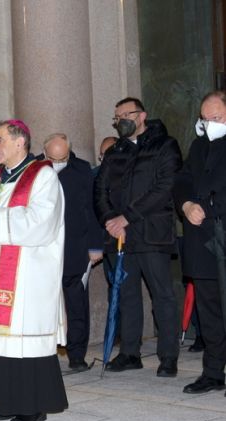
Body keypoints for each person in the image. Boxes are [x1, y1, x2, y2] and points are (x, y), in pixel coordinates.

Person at [0, 120, 67, 421]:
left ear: (19, 142)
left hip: (28, 273)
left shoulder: (43, 175)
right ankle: (7, 400)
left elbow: (42, 220)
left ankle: (32, 405)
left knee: (25, 339)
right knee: (2, 340)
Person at [94, 97, 181, 377]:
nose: (120, 121)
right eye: (116, 117)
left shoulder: (164, 145)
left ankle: (168, 357)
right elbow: (100, 190)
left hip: (151, 234)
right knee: (126, 296)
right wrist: (110, 220)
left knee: (163, 296)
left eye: (125, 115)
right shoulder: (114, 151)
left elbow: (165, 187)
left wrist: (127, 216)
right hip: (119, 237)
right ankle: (130, 353)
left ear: (142, 115)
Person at [175, 91, 226, 394]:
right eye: (204, 119)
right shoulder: (197, 146)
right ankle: (212, 371)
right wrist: (185, 205)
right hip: (203, 244)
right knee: (209, 312)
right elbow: (182, 180)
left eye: (216, 118)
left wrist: (207, 208)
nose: (209, 125)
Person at [42, 134, 103, 372]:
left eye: (63, 158)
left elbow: (92, 207)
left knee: (77, 304)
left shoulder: (82, 170)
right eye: (53, 158)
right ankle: (43, 353)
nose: (58, 162)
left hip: (75, 248)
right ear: (44, 152)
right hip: (43, 250)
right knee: (43, 304)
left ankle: (77, 355)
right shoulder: (34, 169)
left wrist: (95, 245)